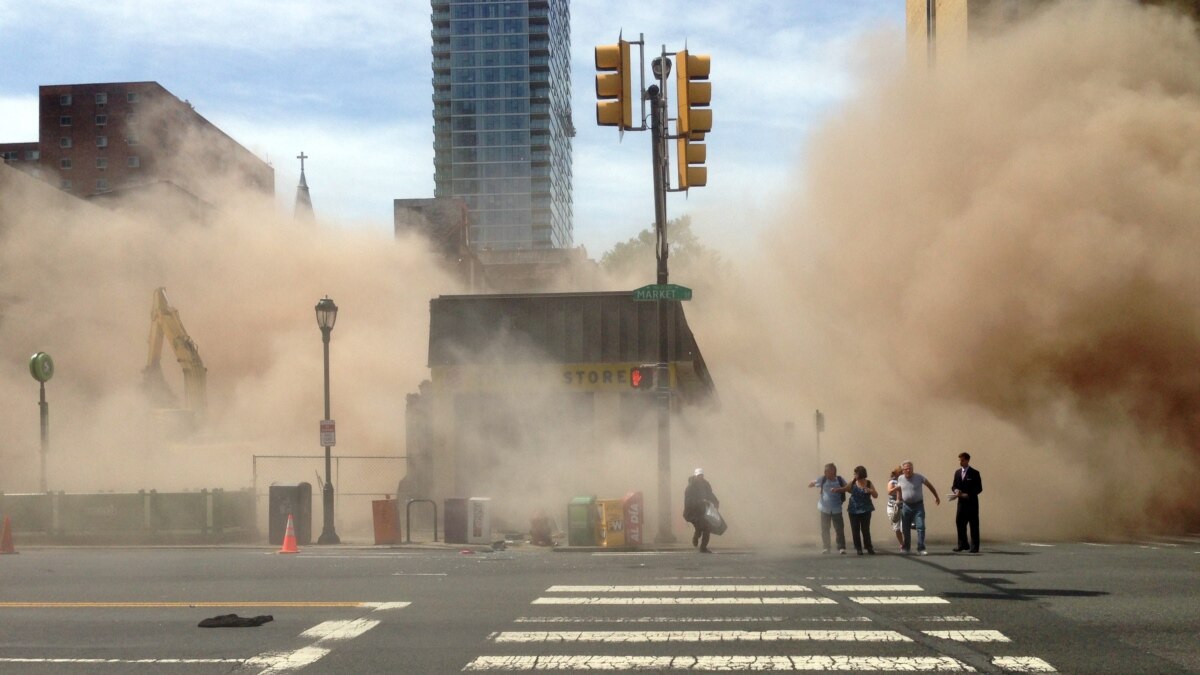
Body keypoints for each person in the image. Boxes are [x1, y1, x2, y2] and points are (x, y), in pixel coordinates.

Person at [896, 460, 940, 555]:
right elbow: (899, 490)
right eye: (906, 469)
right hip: (906, 505)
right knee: (905, 528)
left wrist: (936, 496)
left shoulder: (919, 477)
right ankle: (906, 547)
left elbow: (929, 485)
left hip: (918, 505)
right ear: (903, 470)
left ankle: (921, 548)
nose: (908, 470)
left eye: (910, 468)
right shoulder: (900, 478)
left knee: (920, 526)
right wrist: (898, 500)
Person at [835, 465, 877, 555]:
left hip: (866, 510)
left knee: (865, 529)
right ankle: (858, 548)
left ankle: (869, 547)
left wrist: (870, 491)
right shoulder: (853, 482)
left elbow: (876, 495)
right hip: (853, 510)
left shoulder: (868, 483)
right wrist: (836, 490)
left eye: (855, 473)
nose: (854, 475)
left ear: (860, 474)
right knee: (855, 530)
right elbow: (845, 489)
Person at [808, 463, 847, 554]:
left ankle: (841, 547)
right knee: (825, 528)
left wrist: (839, 489)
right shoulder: (822, 479)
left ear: (834, 472)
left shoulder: (840, 480)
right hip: (824, 508)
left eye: (829, 472)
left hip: (837, 508)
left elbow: (847, 488)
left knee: (839, 528)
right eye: (826, 472)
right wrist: (812, 483)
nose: (827, 473)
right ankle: (826, 547)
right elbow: (812, 484)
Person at [951, 452, 982, 553]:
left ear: (968, 460)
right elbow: (954, 486)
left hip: (972, 503)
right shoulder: (957, 472)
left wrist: (968, 494)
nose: (960, 462)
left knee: (973, 525)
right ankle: (963, 544)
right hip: (961, 503)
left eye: (962, 460)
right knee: (959, 523)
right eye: (959, 460)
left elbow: (979, 488)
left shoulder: (975, 473)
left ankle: (974, 547)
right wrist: (956, 491)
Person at [683, 468, 718, 553]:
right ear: (695, 476)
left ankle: (703, 547)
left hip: (703, 511)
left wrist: (716, 502)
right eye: (699, 476)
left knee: (706, 528)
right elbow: (688, 502)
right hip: (692, 513)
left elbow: (710, 495)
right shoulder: (690, 488)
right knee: (700, 528)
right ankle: (696, 537)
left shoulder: (706, 485)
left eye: (701, 476)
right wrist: (700, 502)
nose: (700, 478)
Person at [886, 466, 905, 549]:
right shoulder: (892, 482)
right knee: (896, 527)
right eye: (901, 473)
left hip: (904, 506)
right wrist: (898, 488)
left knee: (903, 526)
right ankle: (902, 544)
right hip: (893, 507)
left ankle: (905, 544)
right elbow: (889, 492)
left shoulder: (907, 481)